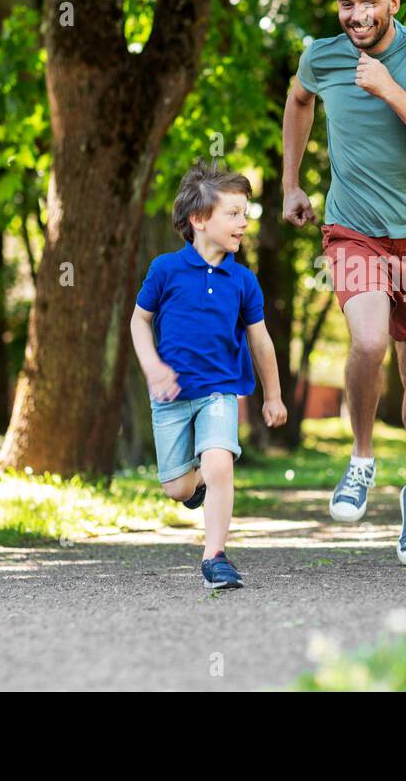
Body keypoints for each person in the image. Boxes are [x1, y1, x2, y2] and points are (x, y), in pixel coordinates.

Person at [281, 0, 406, 566]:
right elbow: (298, 100)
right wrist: (291, 183)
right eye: (346, 3)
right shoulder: (323, 55)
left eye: (369, 2)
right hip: (352, 229)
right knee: (367, 342)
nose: (356, 14)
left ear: (392, 3)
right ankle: (361, 458)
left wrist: (391, 89)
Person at [129, 162, 288, 589]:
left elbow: (261, 341)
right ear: (199, 220)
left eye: (245, 213)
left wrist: (272, 396)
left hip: (220, 391)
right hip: (171, 397)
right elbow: (138, 321)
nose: (244, 222)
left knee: (219, 463)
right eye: (233, 213)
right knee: (177, 488)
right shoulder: (165, 270)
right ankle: (195, 486)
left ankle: (214, 557)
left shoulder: (244, 281)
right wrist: (153, 367)